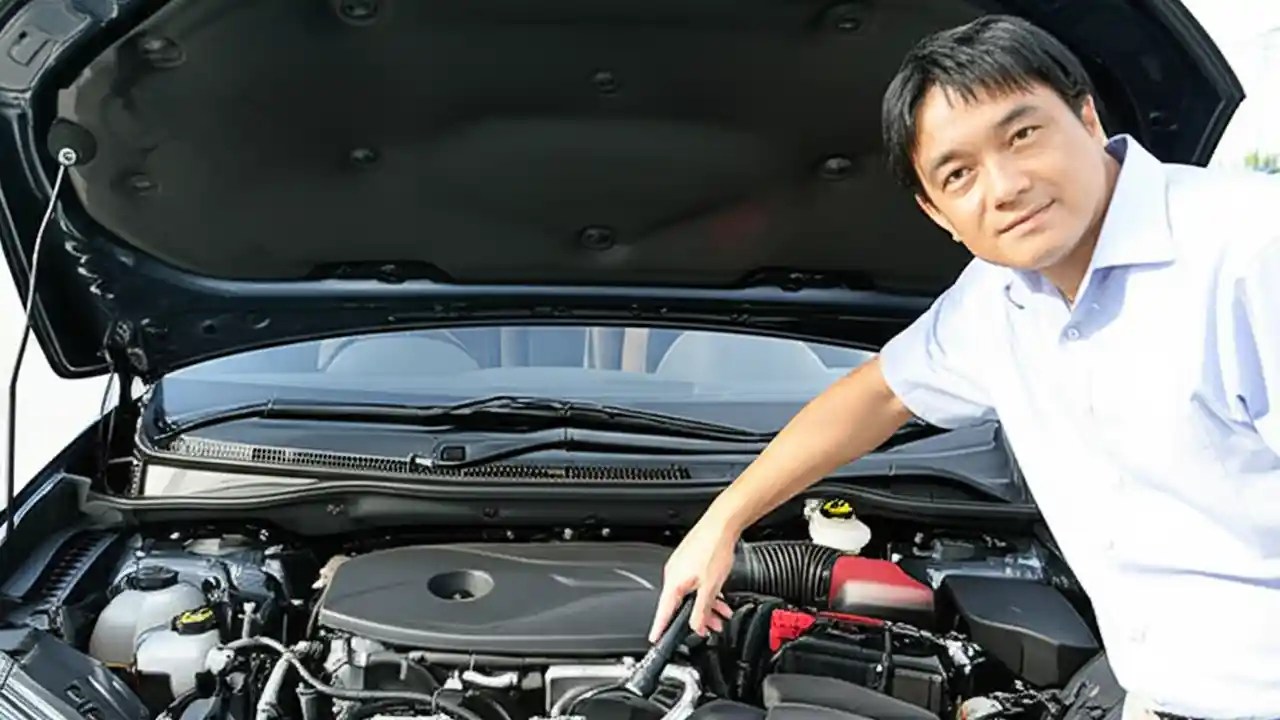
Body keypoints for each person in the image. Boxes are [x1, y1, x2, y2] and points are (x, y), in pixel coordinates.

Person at [646, 14, 1280, 720]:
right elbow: (877, 395)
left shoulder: (1249, 253)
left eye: (1023, 134)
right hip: (1162, 697)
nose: (1005, 186)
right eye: (960, 173)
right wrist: (721, 523)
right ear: (936, 211)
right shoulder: (998, 296)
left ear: (1088, 117)